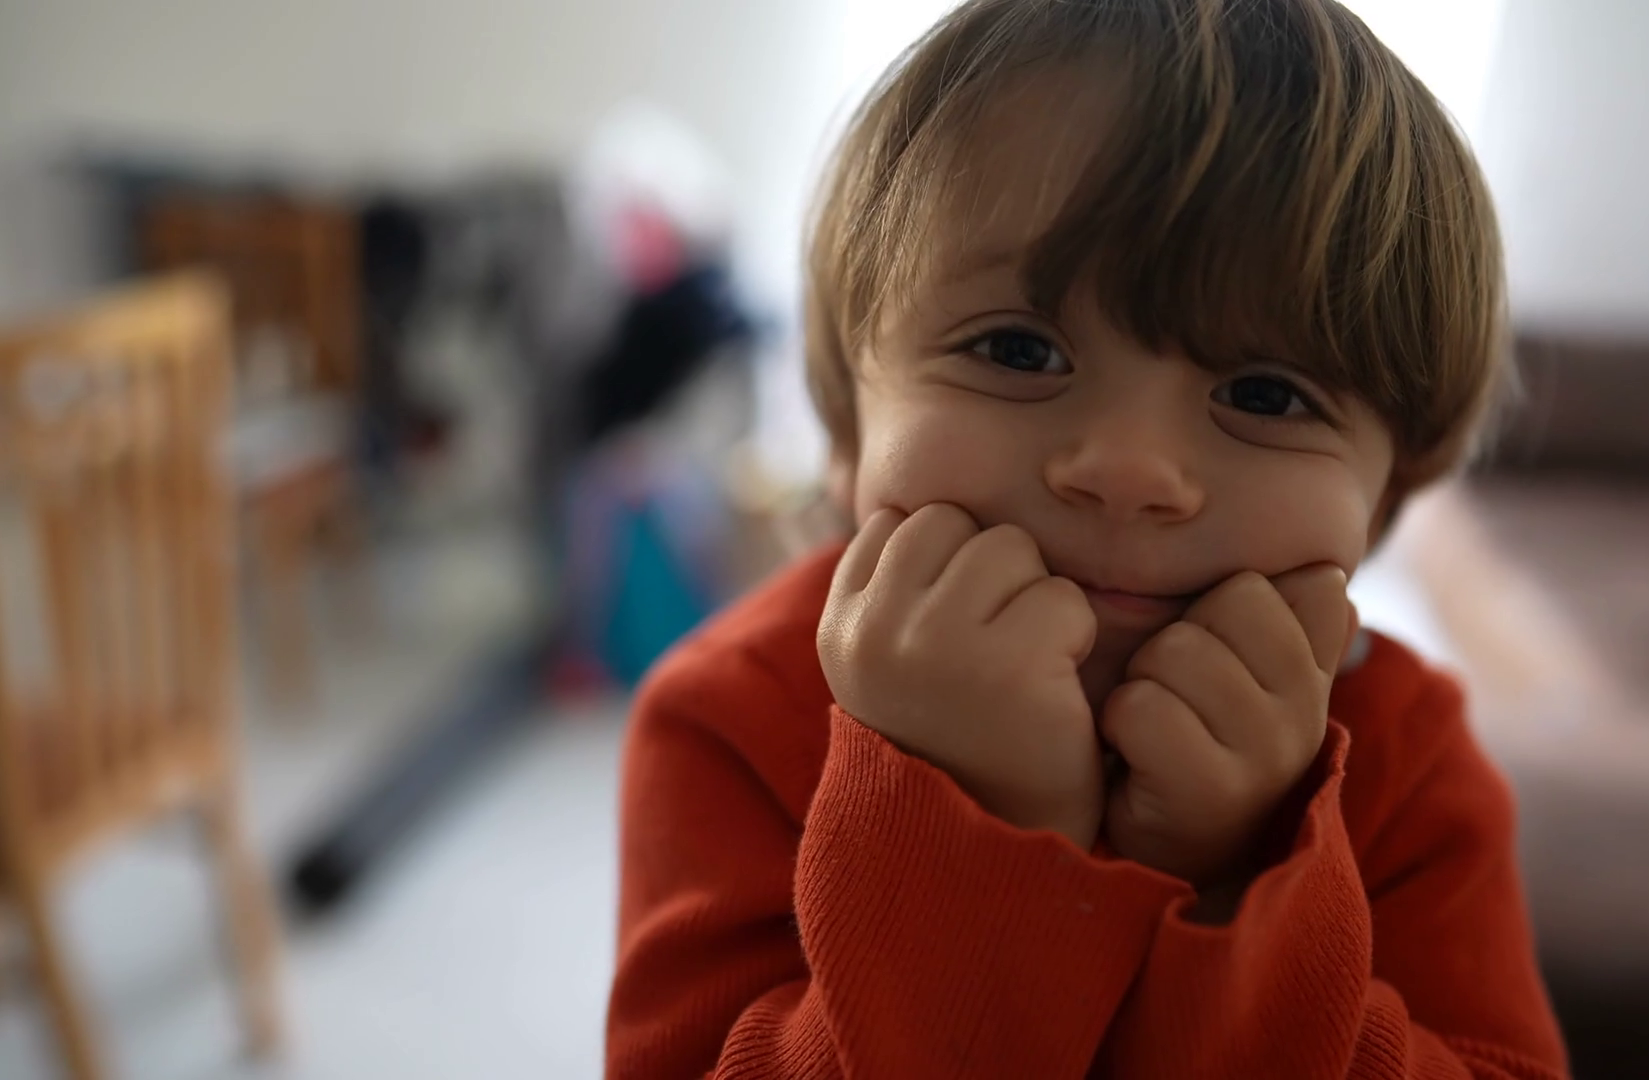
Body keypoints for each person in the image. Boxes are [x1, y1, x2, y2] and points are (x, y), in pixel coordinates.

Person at [606, 0, 1568, 1075]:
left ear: (1388, 500)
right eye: (1017, 350)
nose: (1128, 471)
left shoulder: (1413, 763)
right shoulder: (729, 717)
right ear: (845, 430)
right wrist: (972, 833)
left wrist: (1239, 880)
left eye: (1264, 392)